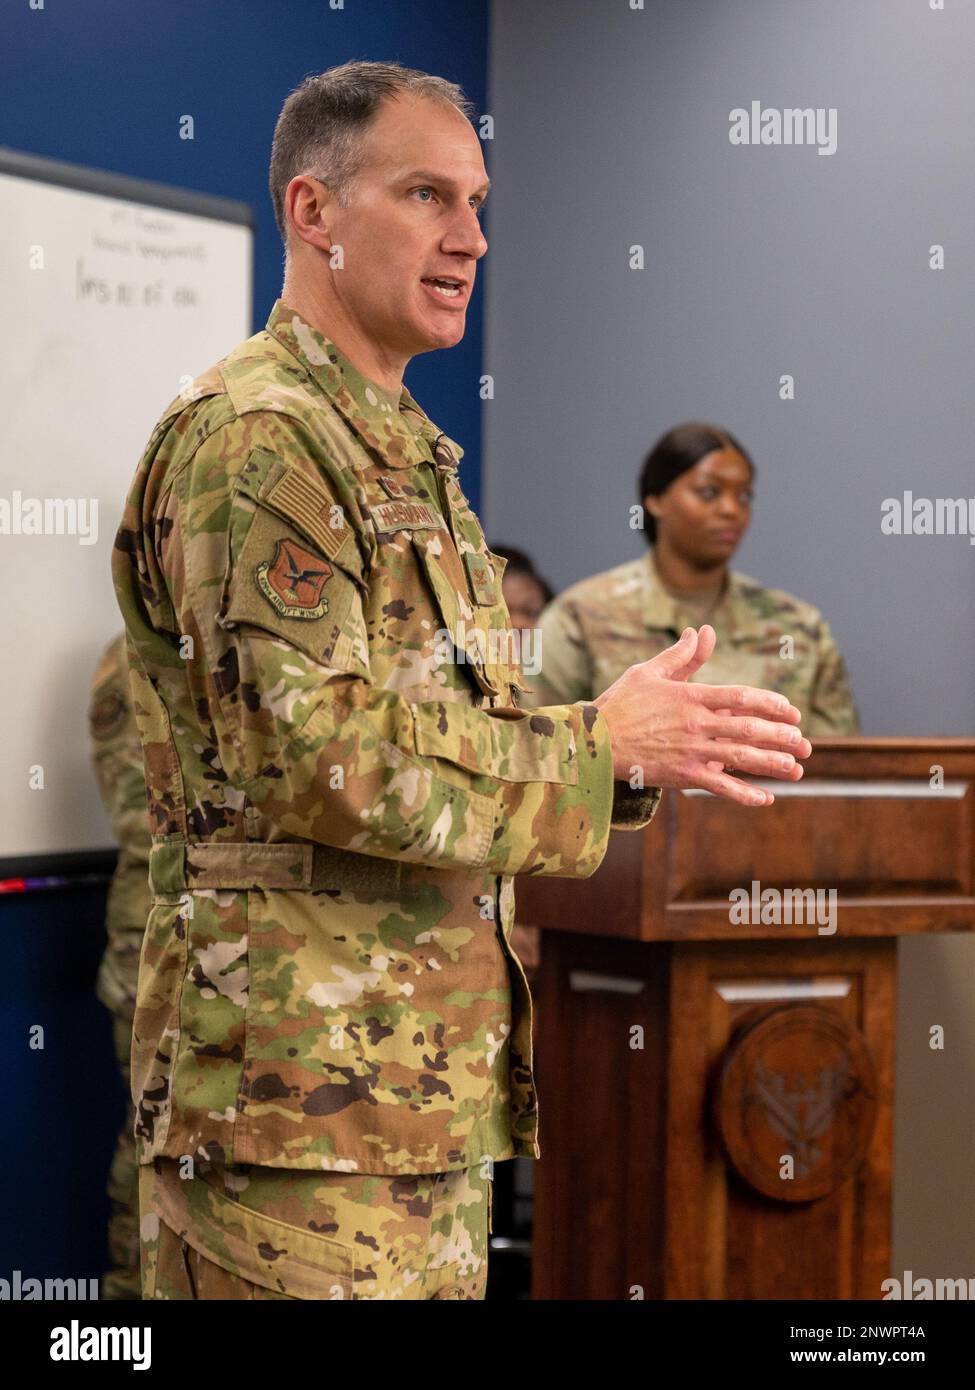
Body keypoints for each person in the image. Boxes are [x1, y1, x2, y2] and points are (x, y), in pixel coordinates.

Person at [112, 62, 810, 1302]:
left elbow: (438, 731)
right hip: (297, 1121)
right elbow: (319, 756)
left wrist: (627, 741)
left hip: (419, 1097)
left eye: (479, 202)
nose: (472, 237)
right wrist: (596, 745)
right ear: (313, 213)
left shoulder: (406, 448)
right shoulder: (260, 437)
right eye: (429, 194)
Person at [529, 422, 860, 735]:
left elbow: (838, 771)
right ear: (656, 500)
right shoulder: (580, 618)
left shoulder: (799, 627)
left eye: (744, 496)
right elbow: (541, 748)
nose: (731, 509)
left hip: (769, 797)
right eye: (709, 492)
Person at [87, 632, 152, 1301]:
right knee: (154, 1147)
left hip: (245, 947)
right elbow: (145, 815)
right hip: (156, 942)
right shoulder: (139, 650)